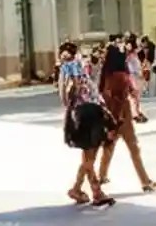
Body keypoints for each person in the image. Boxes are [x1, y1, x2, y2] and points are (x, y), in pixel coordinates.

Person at [97, 44, 156, 193]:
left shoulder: (106, 74)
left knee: (109, 147)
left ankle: (101, 175)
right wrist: (120, 117)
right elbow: (121, 98)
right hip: (122, 115)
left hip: (109, 113)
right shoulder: (120, 75)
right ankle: (144, 180)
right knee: (133, 148)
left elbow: (105, 94)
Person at [60, 42, 115, 207]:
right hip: (90, 110)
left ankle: (81, 189)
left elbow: (71, 88)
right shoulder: (76, 64)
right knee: (90, 152)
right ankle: (94, 192)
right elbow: (79, 85)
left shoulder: (68, 67)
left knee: (88, 153)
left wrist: (69, 104)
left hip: (85, 110)